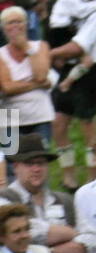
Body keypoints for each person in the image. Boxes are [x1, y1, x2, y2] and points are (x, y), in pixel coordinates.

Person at [48, 0, 96, 191]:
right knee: (58, 124)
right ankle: (68, 176)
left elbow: (79, 47)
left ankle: (93, 178)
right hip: (65, 69)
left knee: (88, 126)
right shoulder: (69, 4)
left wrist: (50, 54)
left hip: (88, 72)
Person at [0, 132, 87, 253]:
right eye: (30, 164)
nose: (36, 169)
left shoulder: (65, 200)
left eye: (41, 163)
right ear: (16, 167)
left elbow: (91, 240)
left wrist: (49, 252)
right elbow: (27, 233)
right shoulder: (4, 200)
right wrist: (72, 233)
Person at [0, 6, 55, 147]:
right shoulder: (1, 54)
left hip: (40, 115)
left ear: (27, 24)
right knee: (11, 162)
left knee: (38, 158)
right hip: (9, 117)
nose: (15, 26)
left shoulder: (40, 46)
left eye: (19, 21)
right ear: (3, 28)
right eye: (10, 23)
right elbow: (7, 87)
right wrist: (36, 85)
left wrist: (25, 47)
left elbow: (41, 75)